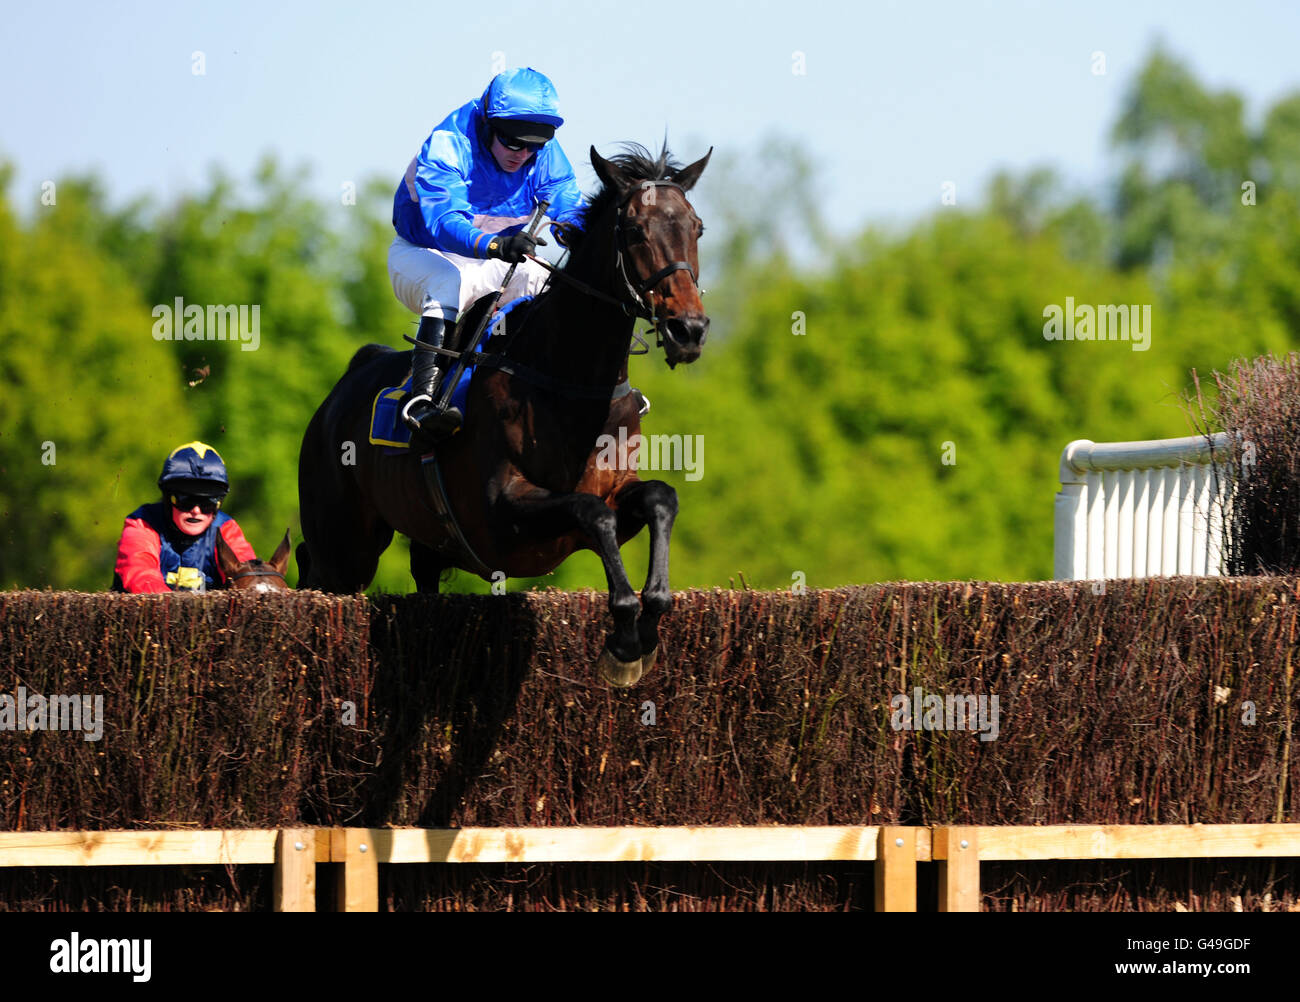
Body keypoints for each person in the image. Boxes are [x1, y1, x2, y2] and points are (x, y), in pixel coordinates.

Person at [389, 66, 587, 441]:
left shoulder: (541, 154)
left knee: (544, 278)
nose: (524, 154)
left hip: (497, 261)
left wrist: (592, 238)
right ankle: (422, 401)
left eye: (535, 145)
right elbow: (443, 221)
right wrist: (496, 245)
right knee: (451, 280)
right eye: (513, 143)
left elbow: (569, 206)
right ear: (487, 125)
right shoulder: (449, 144)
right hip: (423, 254)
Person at [112, 442, 258, 593]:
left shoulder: (226, 528)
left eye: (207, 503)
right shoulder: (142, 523)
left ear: (218, 504)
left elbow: (246, 577)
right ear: (168, 498)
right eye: (185, 500)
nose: (196, 510)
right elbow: (140, 574)